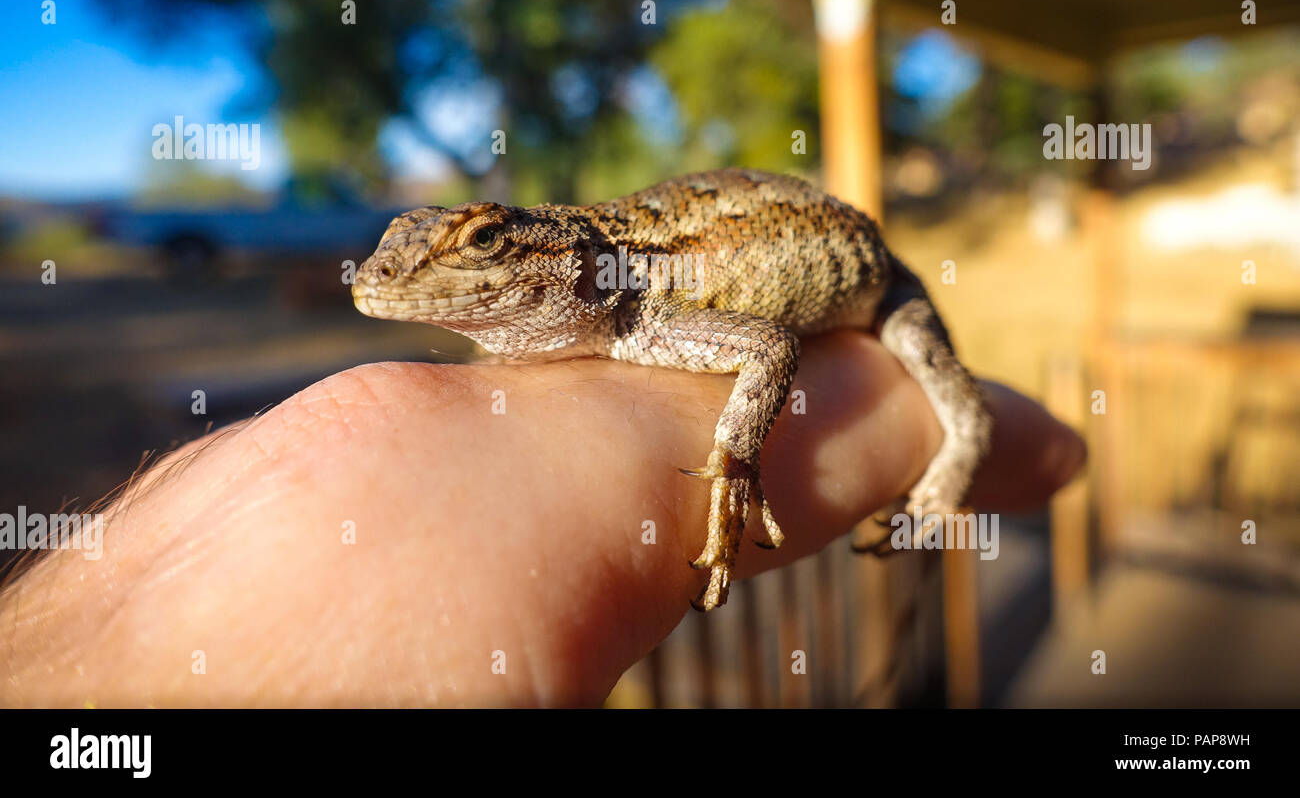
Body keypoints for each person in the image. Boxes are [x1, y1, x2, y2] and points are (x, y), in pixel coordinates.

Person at [0, 331, 1084, 706]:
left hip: (865, 281)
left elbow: (765, 347)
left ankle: (945, 479)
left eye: (471, 248)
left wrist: (734, 465)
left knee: (949, 403)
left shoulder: (638, 290)